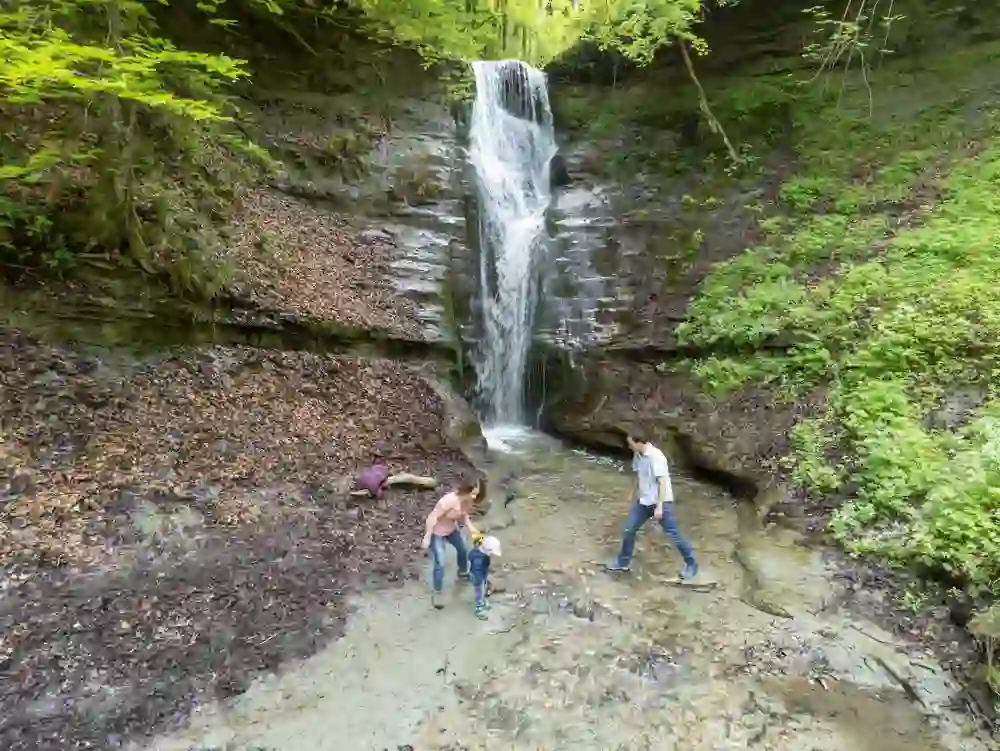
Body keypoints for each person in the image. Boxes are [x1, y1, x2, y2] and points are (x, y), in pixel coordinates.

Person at [604, 430, 699, 579]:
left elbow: (661, 483)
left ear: (639, 442)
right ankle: (623, 563)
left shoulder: (656, 457)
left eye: (631, 444)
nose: (629, 447)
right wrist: (630, 493)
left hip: (660, 502)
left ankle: (692, 565)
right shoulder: (638, 455)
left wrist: (660, 506)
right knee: (629, 530)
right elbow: (638, 475)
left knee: (674, 535)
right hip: (644, 502)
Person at [421, 479, 482, 609]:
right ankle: (437, 591)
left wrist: (472, 528)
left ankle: (462, 572)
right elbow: (432, 517)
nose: (474, 496)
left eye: (476, 494)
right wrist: (427, 536)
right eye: (473, 493)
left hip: (451, 530)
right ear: (466, 490)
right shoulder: (448, 500)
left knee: (463, 550)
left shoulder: (467, 502)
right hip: (436, 532)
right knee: (441, 562)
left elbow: (464, 516)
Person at [469, 533, 502, 620]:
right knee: (479, 591)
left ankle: (483, 602)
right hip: (477, 577)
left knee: (483, 587)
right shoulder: (478, 560)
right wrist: (481, 580)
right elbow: (477, 571)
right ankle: (479, 608)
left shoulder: (483, 554)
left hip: (481, 574)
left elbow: (485, 565)